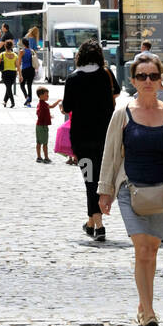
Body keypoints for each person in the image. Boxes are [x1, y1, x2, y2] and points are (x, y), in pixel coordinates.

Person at [98, 52, 163, 326]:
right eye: (142, 76)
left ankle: (143, 304)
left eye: (153, 76)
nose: (148, 81)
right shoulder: (123, 114)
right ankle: (149, 312)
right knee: (142, 248)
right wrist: (105, 192)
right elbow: (110, 156)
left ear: (160, 78)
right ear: (132, 80)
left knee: (152, 251)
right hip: (131, 189)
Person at [62, 40, 116, 241]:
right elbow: (113, 98)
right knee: (98, 180)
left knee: (89, 179)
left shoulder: (73, 79)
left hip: (82, 139)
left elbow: (67, 107)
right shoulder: (105, 75)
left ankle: (99, 225)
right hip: (104, 137)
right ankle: (92, 222)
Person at [34, 86, 61, 163]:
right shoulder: (44, 105)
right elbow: (51, 107)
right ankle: (46, 158)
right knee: (45, 143)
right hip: (43, 126)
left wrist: (48, 116)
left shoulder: (40, 104)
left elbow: (39, 112)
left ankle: (39, 157)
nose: (48, 96)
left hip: (38, 125)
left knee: (38, 142)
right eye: (46, 95)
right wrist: (58, 101)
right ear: (41, 96)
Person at [0, 40, 17, 107]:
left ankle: (12, 102)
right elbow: (17, 66)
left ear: (5, 46)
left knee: (8, 88)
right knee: (9, 87)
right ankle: (4, 101)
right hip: (13, 73)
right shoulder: (15, 55)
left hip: (5, 73)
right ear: (12, 46)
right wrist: (20, 75)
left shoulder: (2, 54)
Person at [18, 36, 37, 106]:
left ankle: (27, 97)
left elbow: (19, 63)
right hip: (32, 70)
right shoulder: (32, 51)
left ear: (23, 44)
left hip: (25, 70)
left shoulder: (21, 51)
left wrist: (18, 72)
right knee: (29, 85)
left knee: (22, 85)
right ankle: (29, 102)